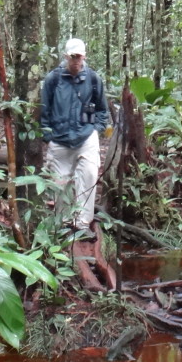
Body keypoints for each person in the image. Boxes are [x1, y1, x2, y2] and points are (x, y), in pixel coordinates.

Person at [40, 37, 110, 237]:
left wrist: (96, 128)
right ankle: (63, 224)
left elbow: (102, 110)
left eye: (80, 56)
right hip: (59, 138)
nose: (76, 60)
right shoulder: (53, 79)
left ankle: (82, 225)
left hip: (86, 136)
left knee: (88, 177)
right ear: (65, 57)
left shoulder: (93, 79)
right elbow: (44, 109)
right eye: (73, 56)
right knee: (61, 182)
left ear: (84, 56)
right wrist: (48, 136)